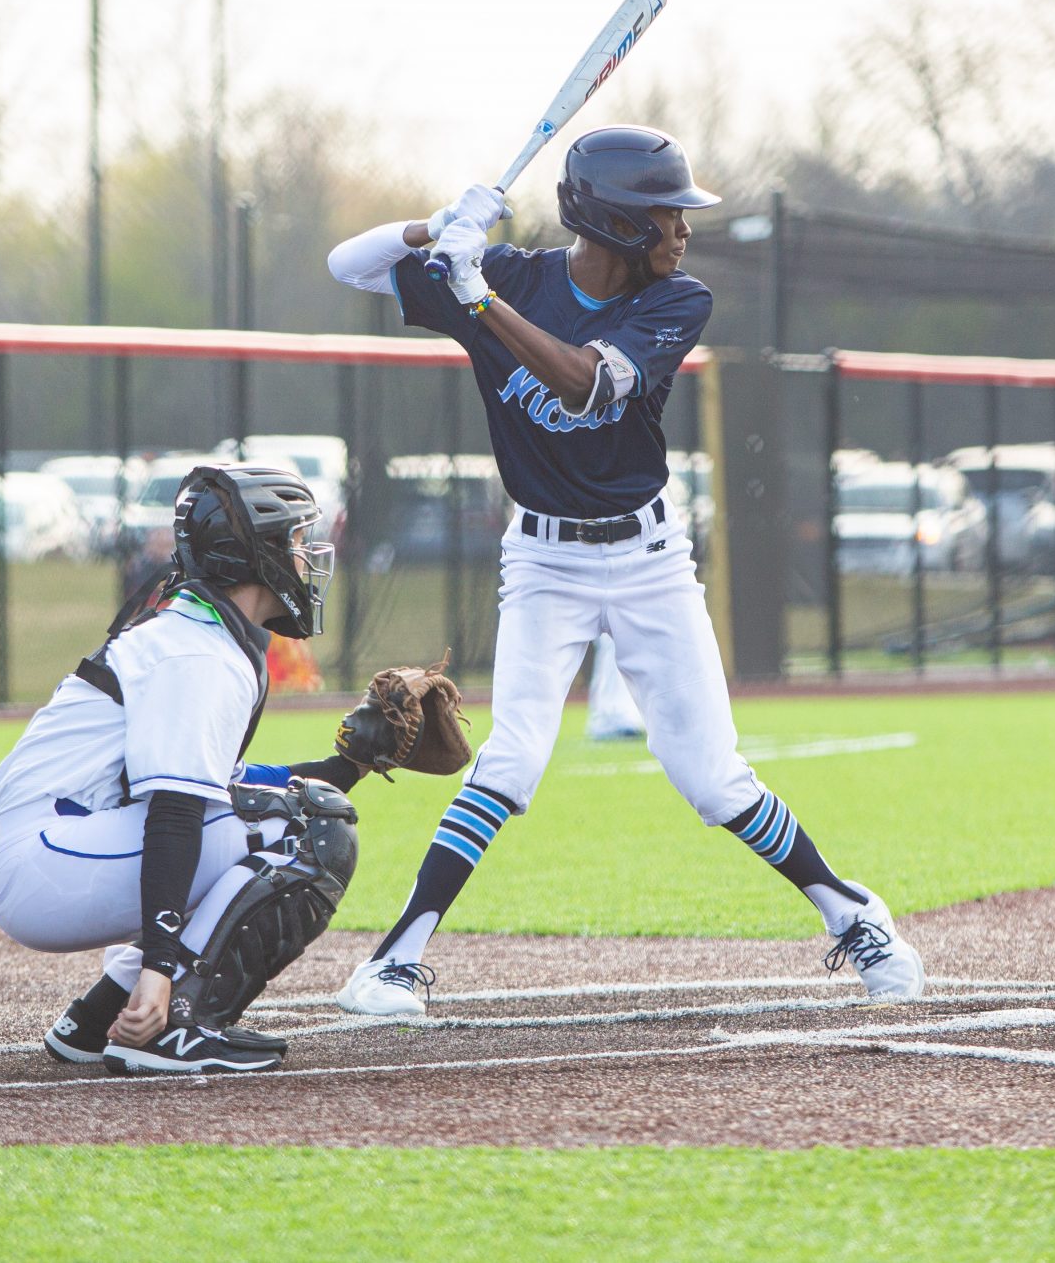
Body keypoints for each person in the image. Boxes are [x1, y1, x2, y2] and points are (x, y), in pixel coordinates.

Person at [323, 126, 922, 1016]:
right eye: (666, 215)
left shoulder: (676, 299)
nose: (681, 229)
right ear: (615, 222)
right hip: (542, 561)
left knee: (714, 779)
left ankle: (853, 916)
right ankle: (393, 961)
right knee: (512, 760)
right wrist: (433, 229)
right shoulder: (511, 277)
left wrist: (476, 293)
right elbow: (347, 264)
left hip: (649, 562)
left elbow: (586, 384)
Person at [0, 463, 376, 1075]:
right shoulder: (198, 651)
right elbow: (177, 817)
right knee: (310, 831)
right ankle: (178, 1025)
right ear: (255, 553)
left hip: (49, 844)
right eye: (293, 542)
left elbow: (224, 789)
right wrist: (161, 970)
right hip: (46, 857)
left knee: (289, 814)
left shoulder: (197, 630)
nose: (304, 557)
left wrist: (350, 764)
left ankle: (96, 1018)